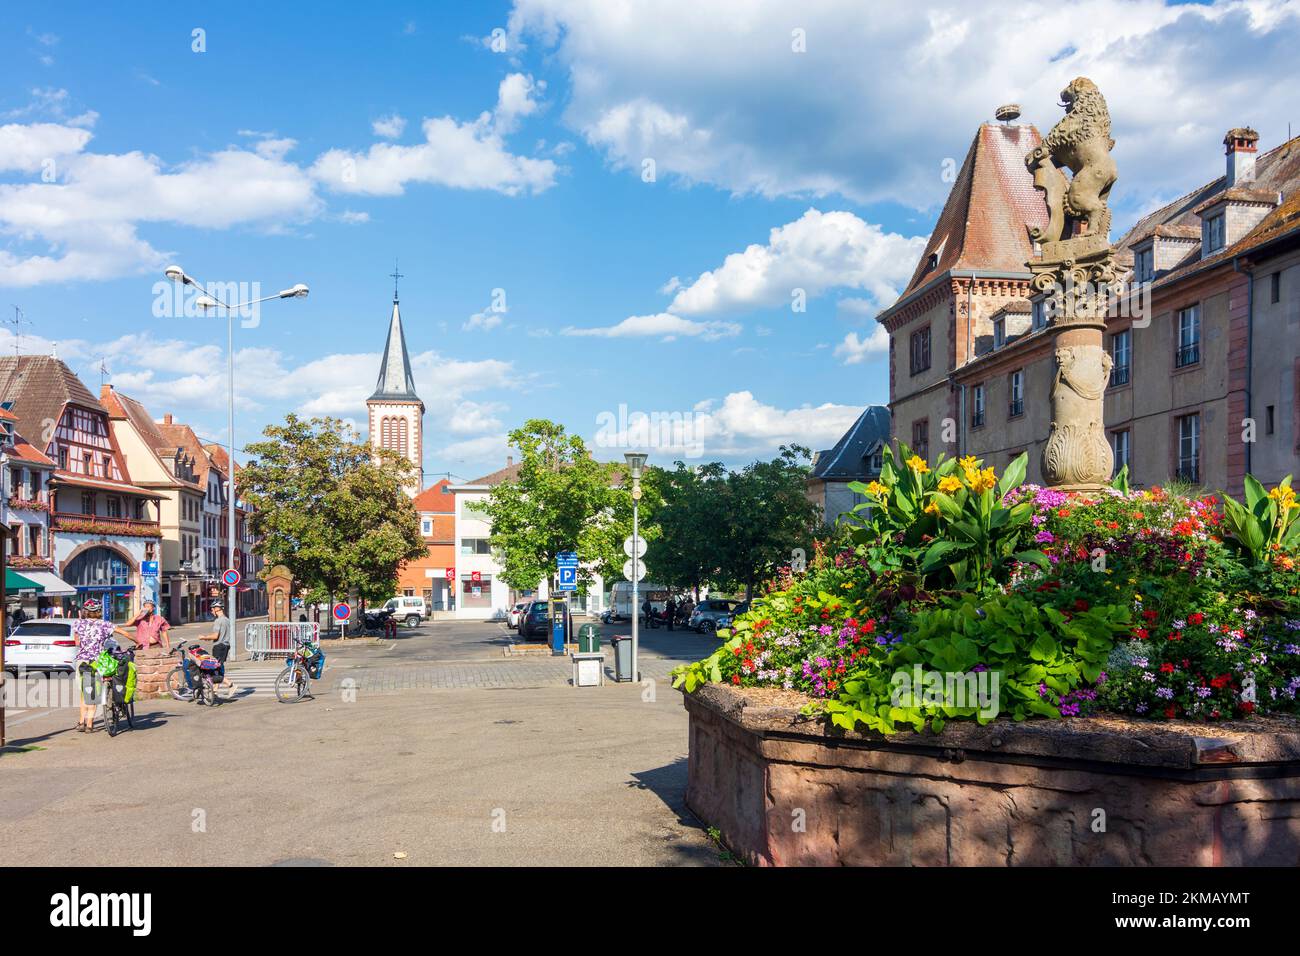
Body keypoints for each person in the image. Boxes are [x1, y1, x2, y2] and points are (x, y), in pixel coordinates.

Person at [72, 599, 115, 732]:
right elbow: (120, 633)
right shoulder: (105, 624)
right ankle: (89, 724)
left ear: (85, 611)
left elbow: (76, 641)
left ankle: (81, 722)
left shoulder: (78, 623)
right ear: (99, 611)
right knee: (94, 692)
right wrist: (136, 641)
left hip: (82, 661)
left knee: (84, 692)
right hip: (97, 661)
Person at [204, 601, 236, 692]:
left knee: (214, 668)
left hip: (218, 646)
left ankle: (230, 684)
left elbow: (215, 636)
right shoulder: (227, 620)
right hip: (225, 646)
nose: (211, 611)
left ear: (217, 609)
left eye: (212, 609)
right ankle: (215, 688)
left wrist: (204, 637)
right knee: (219, 667)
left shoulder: (218, 621)